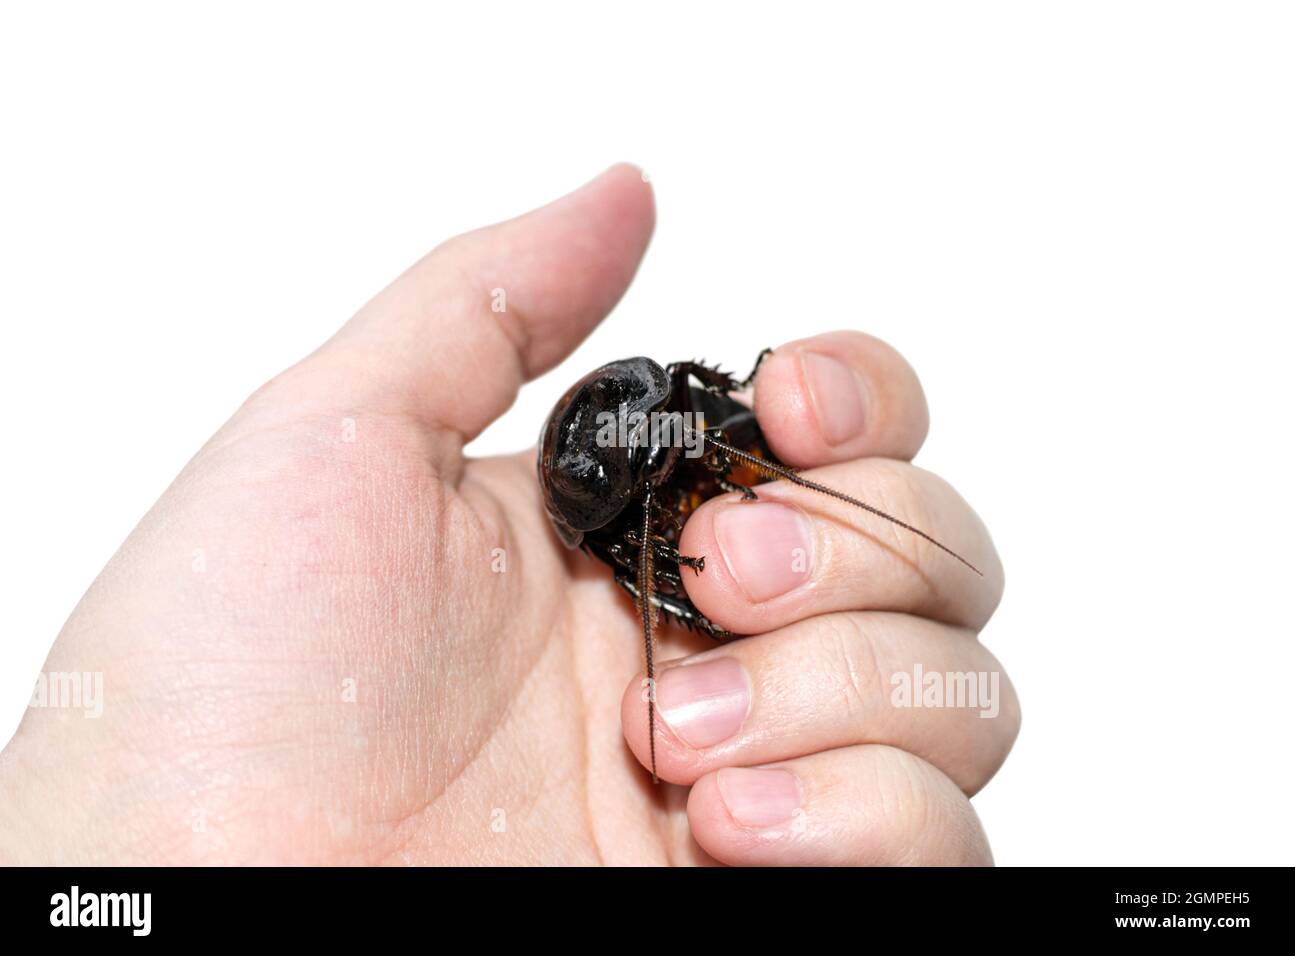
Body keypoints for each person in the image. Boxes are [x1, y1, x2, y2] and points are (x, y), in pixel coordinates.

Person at [0, 165, 1016, 865]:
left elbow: (684, 390)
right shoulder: (606, 525)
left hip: (636, 459)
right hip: (591, 513)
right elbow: (624, 530)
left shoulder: (668, 412)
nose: (669, 467)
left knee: (748, 496)